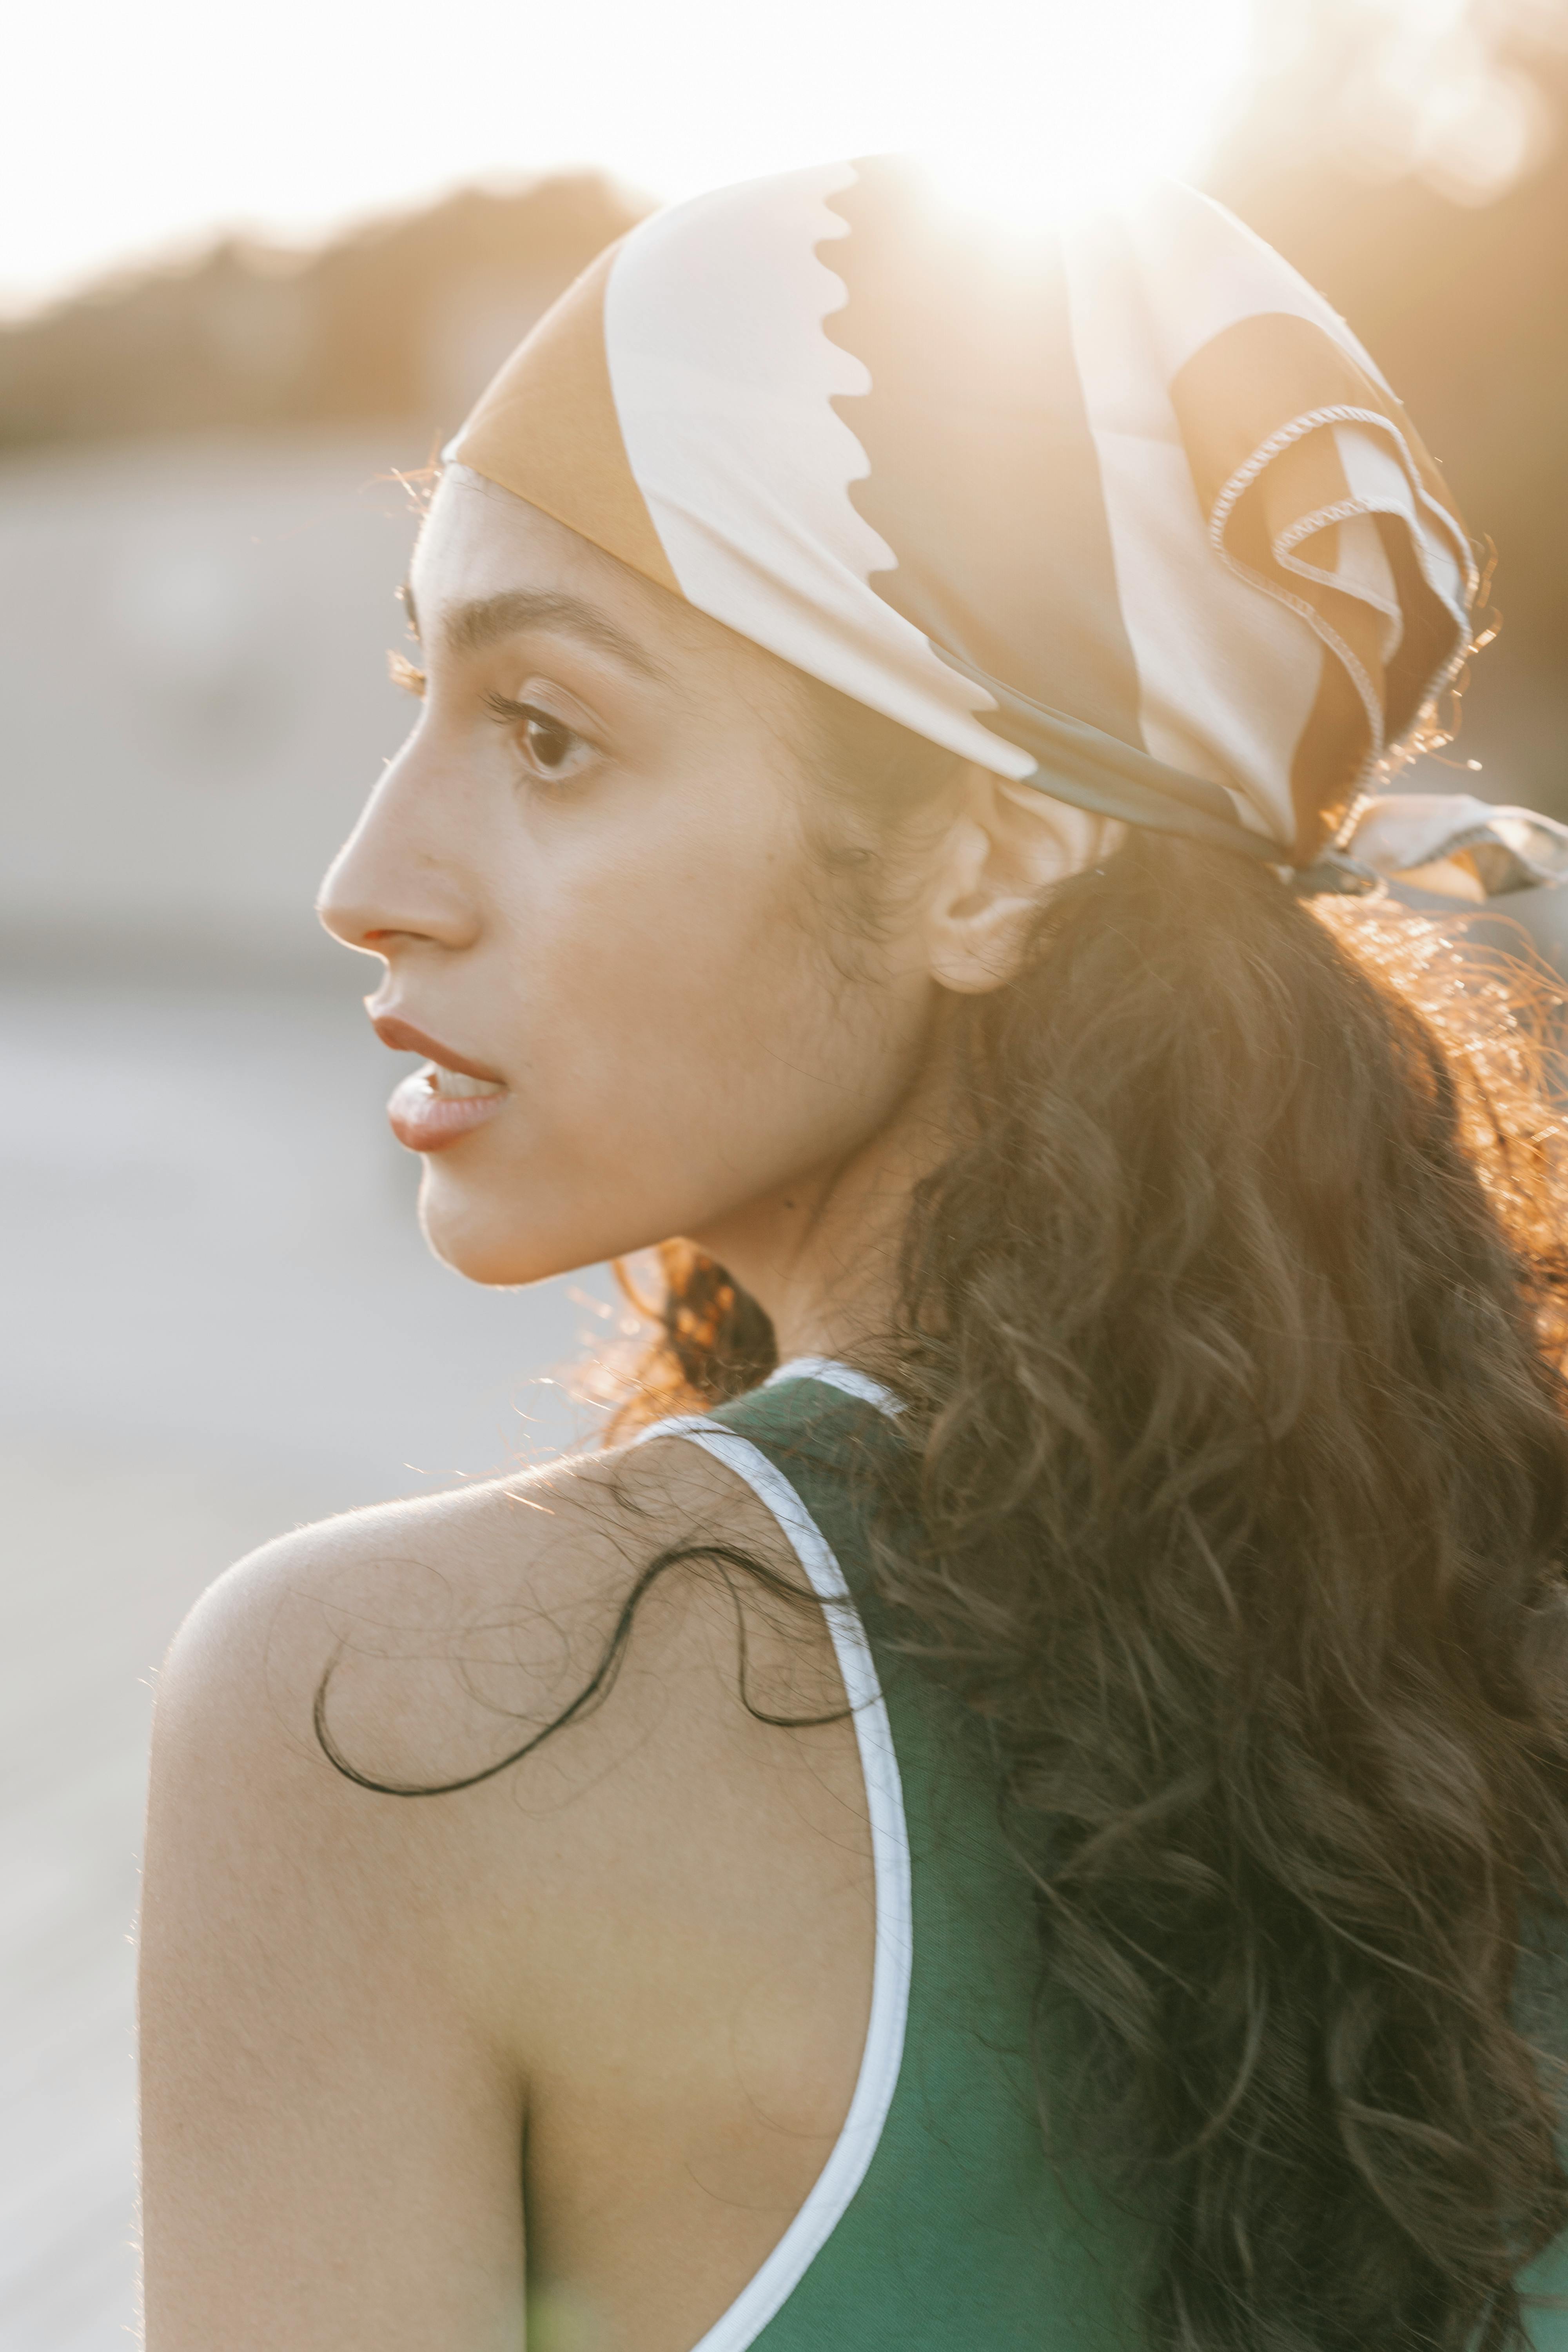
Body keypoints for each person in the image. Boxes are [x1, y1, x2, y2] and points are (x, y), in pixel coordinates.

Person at [138, 160, 1568, 2351]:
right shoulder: (1490, 1620)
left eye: (547, 736)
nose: (368, 873)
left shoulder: (384, 1723)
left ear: (988, 862)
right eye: (418, 693)